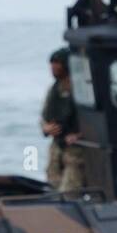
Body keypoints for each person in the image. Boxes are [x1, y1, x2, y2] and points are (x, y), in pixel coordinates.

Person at [41, 48, 85, 193]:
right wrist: (46, 128)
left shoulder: (81, 89)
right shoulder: (54, 90)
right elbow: (44, 116)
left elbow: (92, 119)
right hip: (57, 148)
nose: (53, 68)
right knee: (52, 188)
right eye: (52, 64)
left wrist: (79, 135)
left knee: (69, 192)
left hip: (75, 150)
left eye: (56, 63)